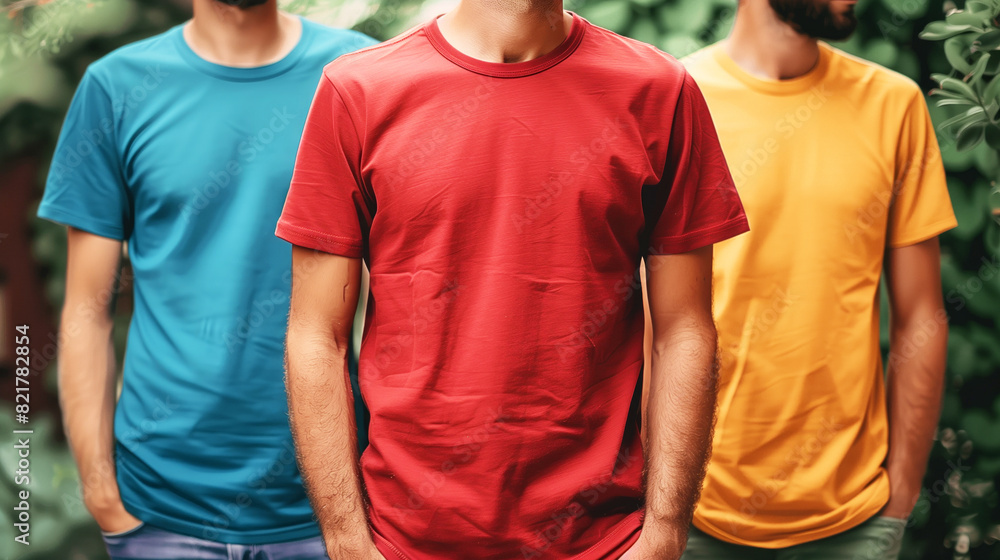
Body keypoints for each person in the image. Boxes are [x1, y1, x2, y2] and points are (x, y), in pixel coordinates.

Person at [275, 1, 750, 559]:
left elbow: (683, 330)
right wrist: (347, 539)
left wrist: (666, 531)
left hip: (604, 542)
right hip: (403, 541)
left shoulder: (658, 89)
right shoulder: (358, 89)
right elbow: (315, 335)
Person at [38, 0, 374, 557]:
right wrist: (103, 497)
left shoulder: (358, 72)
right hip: (159, 513)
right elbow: (84, 311)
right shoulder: (116, 86)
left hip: (335, 515)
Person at [675, 0, 956, 558]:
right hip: (690, 518)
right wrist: (656, 508)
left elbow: (921, 315)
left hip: (855, 521)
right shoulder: (673, 101)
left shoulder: (892, 105)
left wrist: (898, 500)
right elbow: (637, 319)